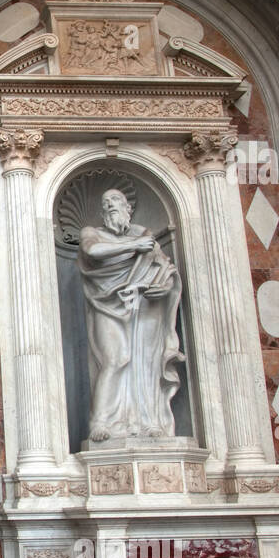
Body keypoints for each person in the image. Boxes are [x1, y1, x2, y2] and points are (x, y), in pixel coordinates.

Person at [77, 189, 184, 441]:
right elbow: (92, 251)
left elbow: (166, 271)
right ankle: (100, 422)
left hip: (145, 306)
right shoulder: (92, 233)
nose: (110, 204)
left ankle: (148, 421)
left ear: (128, 208)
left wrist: (163, 289)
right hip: (106, 304)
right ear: (102, 213)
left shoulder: (145, 236)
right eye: (105, 203)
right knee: (115, 359)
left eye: (115, 200)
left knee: (145, 362)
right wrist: (134, 246)